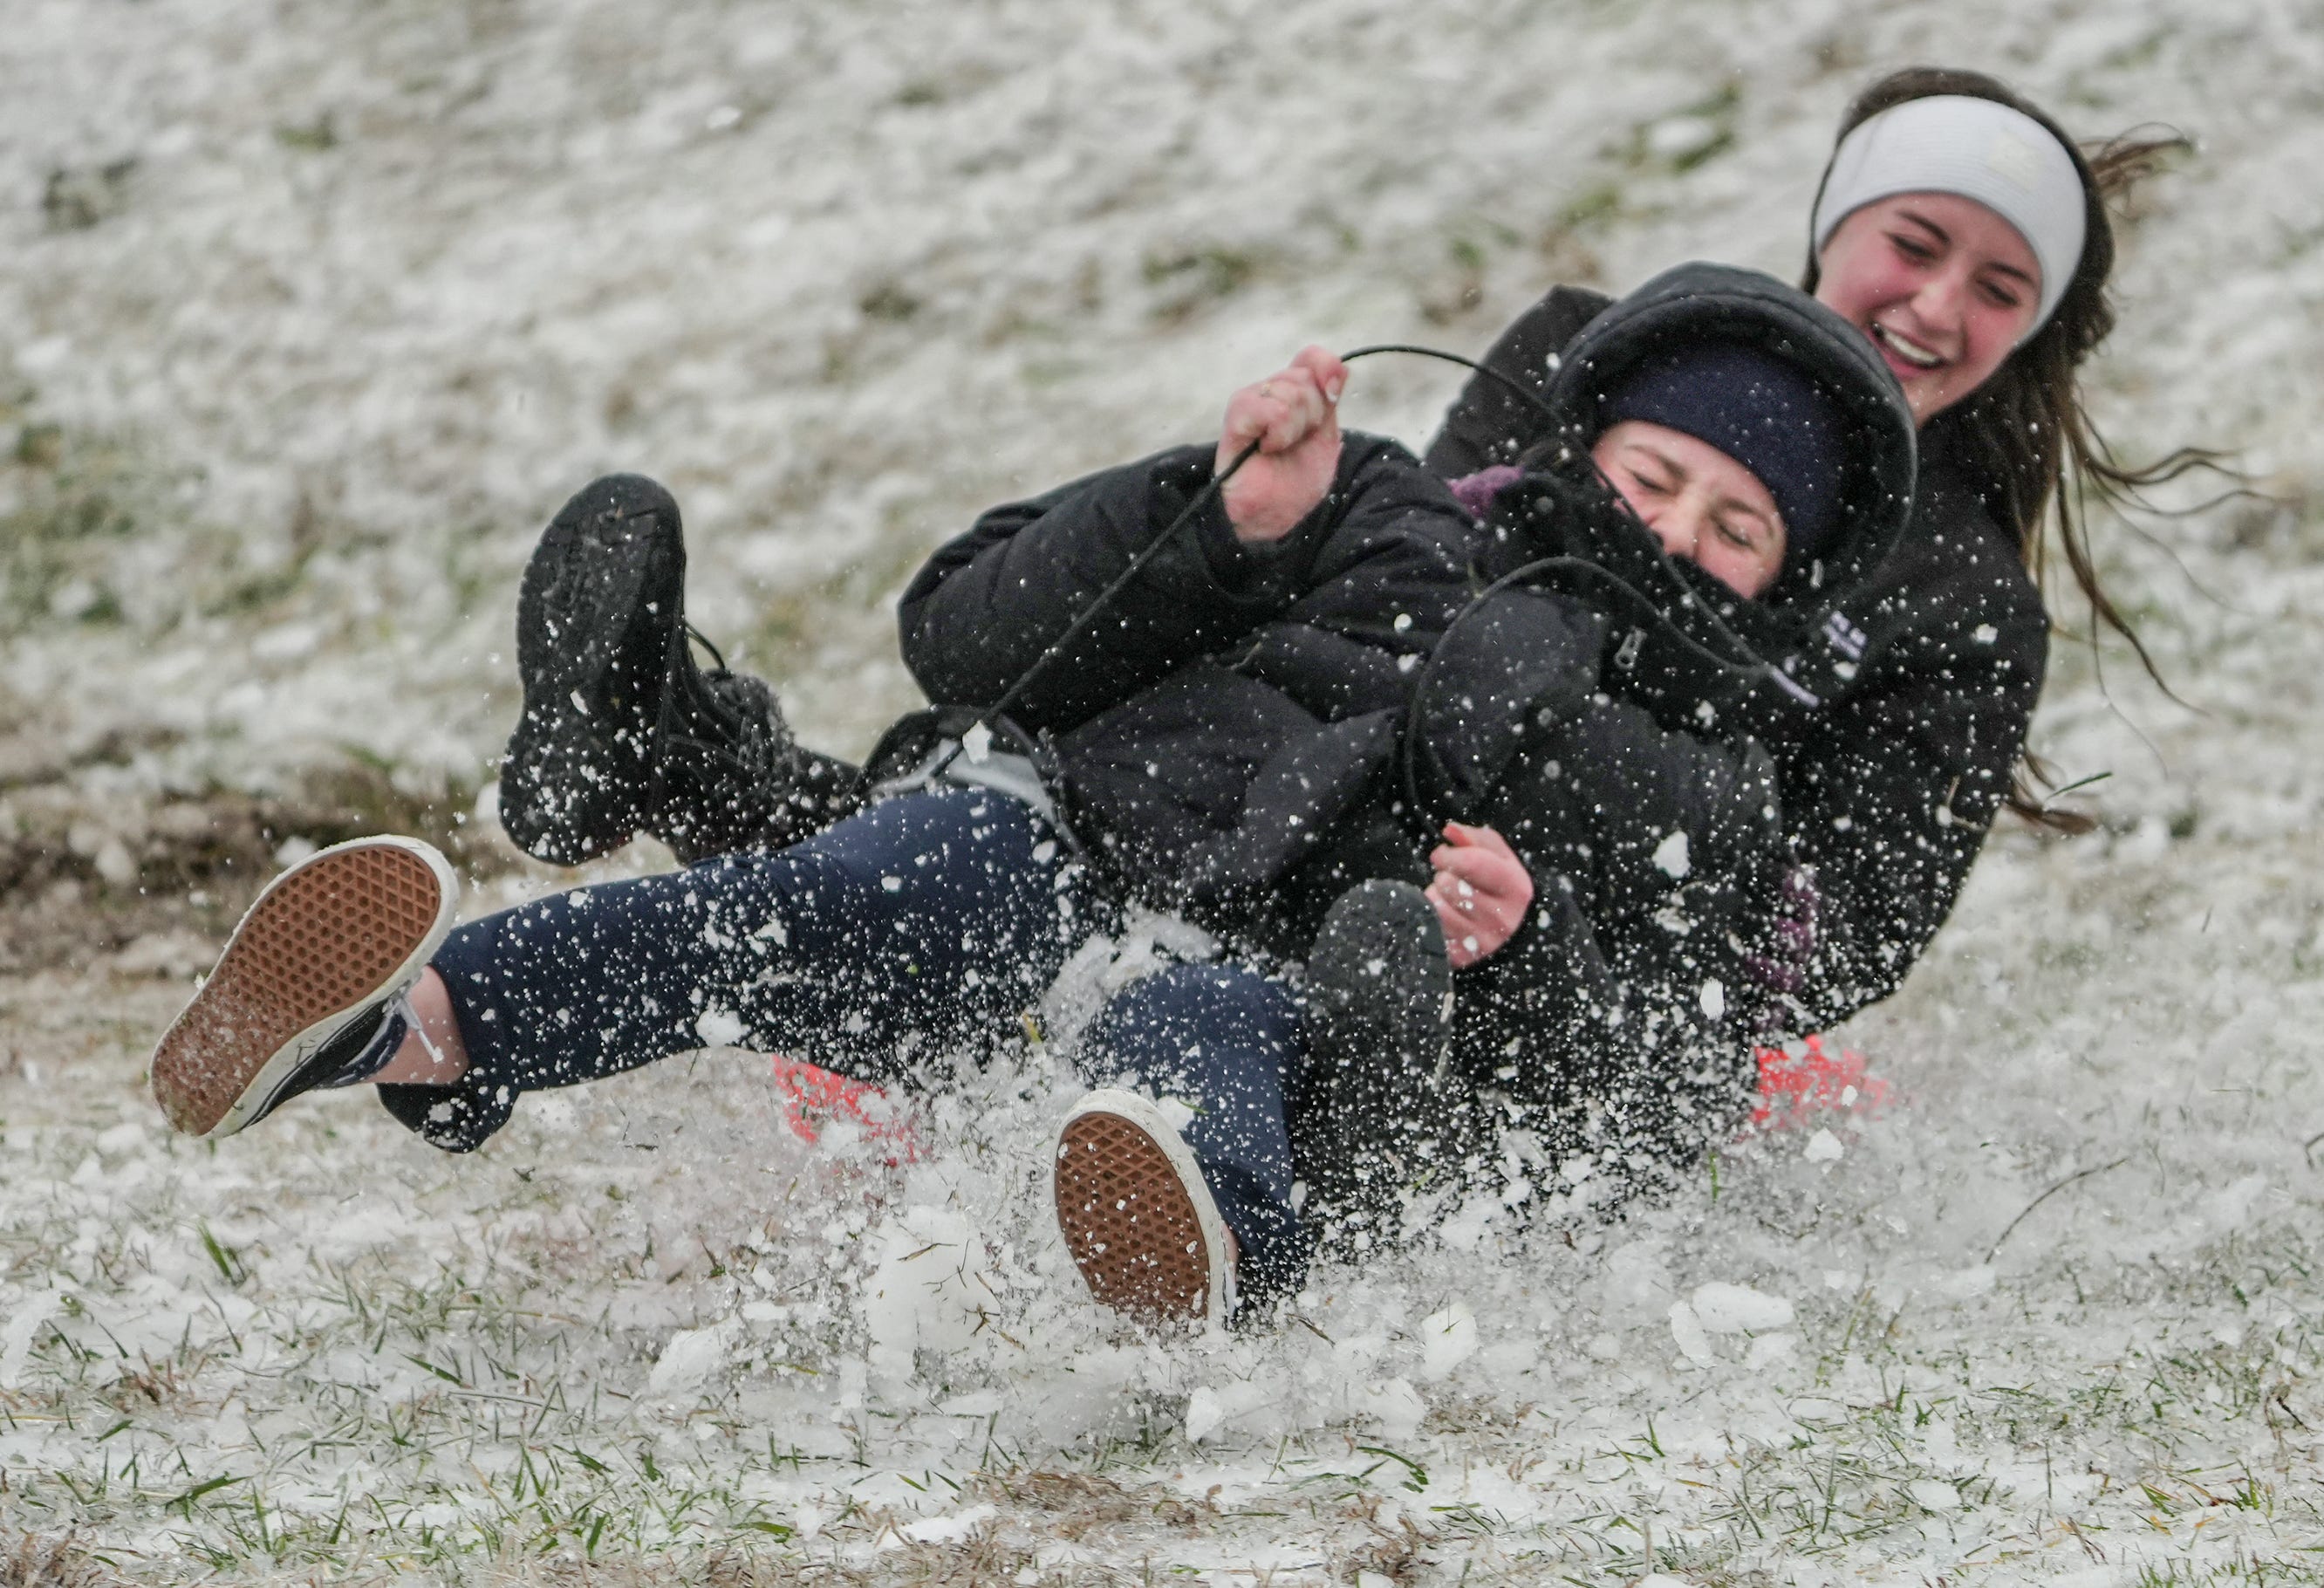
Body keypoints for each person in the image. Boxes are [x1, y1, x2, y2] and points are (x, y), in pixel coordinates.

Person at [146, 264, 1910, 1328]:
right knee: (808, 914)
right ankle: (409, 1022)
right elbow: (967, 630)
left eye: (1735, 525)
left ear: (1784, 581)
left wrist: (1515, 949)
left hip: (1293, 975)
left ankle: (1182, 1246)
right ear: (1588, 441)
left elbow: (1655, 1064)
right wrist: (1221, 517)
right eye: (1659, 474)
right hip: (1059, 829)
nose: (1675, 530)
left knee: (1200, 1053)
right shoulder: (1389, 517)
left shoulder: (1717, 780)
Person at [1426, 66, 2205, 1047]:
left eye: (1999, 291)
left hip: (1599, 1009)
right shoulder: (1588, 351)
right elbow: (1406, 591)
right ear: (1834, 225)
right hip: (1384, 826)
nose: (1935, 305)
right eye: (1913, 245)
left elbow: (1851, 934)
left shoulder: (1968, 602)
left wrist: (1568, 912)